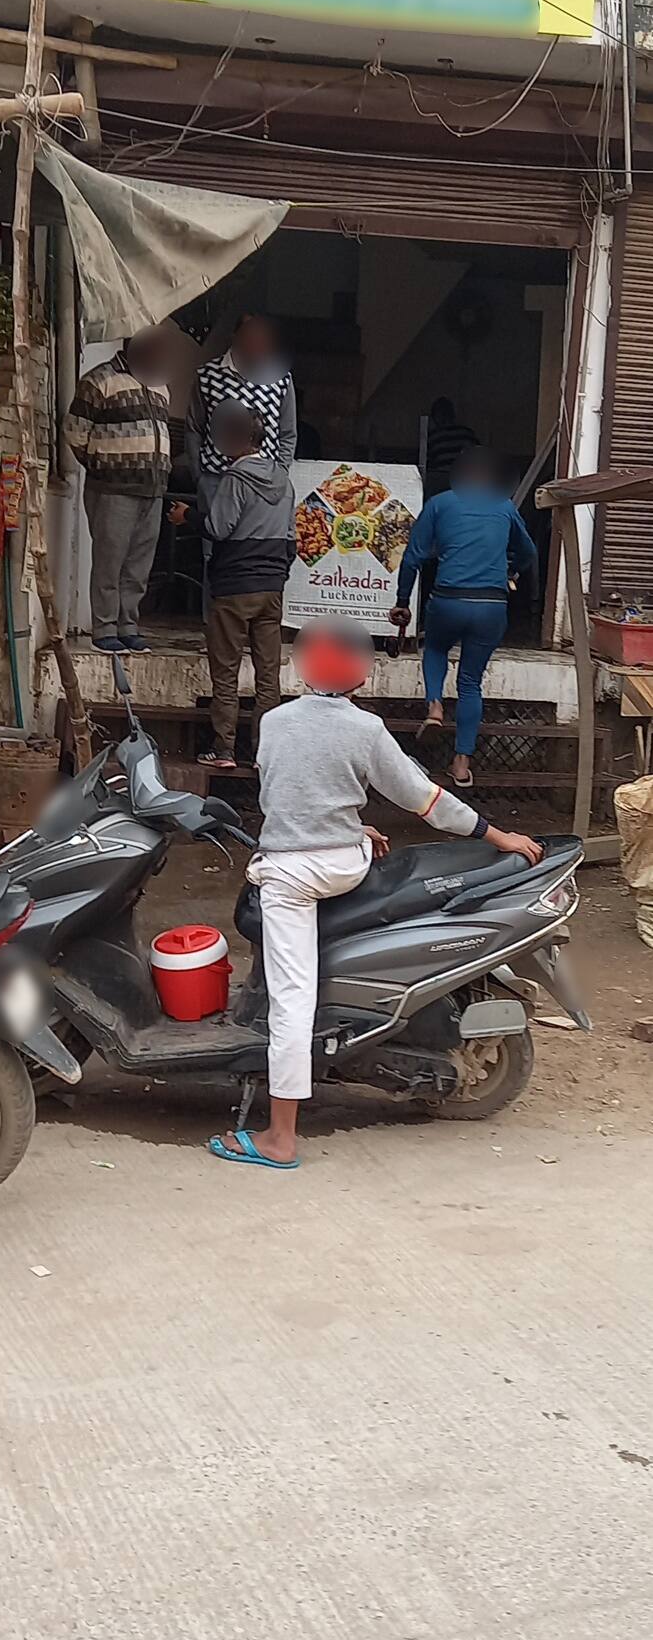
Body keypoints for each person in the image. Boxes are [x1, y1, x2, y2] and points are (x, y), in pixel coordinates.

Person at [209, 617, 541, 1170]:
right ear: (360, 676)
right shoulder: (367, 729)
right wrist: (496, 834)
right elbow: (426, 799)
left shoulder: (272, 721)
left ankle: (280, 1138)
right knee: (339, 862)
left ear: (301, 668)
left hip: (294, 873)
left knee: (293, 1002)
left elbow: (284, 795)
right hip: (346, 863)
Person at [390, 446, 538, 789]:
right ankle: (461, 764)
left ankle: (435, 708)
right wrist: (510, 571)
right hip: (491, 605)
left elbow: (412, 558)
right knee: (471, 681)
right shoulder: (504, 506)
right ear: (490, 478)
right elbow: (528, 552)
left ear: (460, 475)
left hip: (448, 601)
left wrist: (402, 601)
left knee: (435, 648)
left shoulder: (439, 504)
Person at [169, 403, 296, 768]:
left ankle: (223, 748)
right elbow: (291, 540)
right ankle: (263, 753)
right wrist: (276, 574)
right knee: (268, 675)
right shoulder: (283, 481)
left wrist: (187, 516)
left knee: (225, 671)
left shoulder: (235, 480)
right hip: (271, 588)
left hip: (235, 586)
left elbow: (218, 527)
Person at [64, 330, 171, 653]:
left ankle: (128, 625)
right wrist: (103, 464)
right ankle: (104, 627)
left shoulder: (160, 385)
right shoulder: (100, 380)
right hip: (112, 488)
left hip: (152, 489)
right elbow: (75, 432)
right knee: (109, 561)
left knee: (139, 565)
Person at [185, 313, 297, 496]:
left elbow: (287, 433)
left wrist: (280, 474)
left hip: (263, 483)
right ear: (235, 337)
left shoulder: (281, 379)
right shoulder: (208, 375)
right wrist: (199, 476)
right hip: (216, 480)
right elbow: (194, 429)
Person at [425, 397, 477, 498]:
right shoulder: (467, 434)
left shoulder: (434, 437)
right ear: (453, 415)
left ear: (435, 418)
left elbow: (429, 464)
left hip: (440, 481)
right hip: (465, 479)